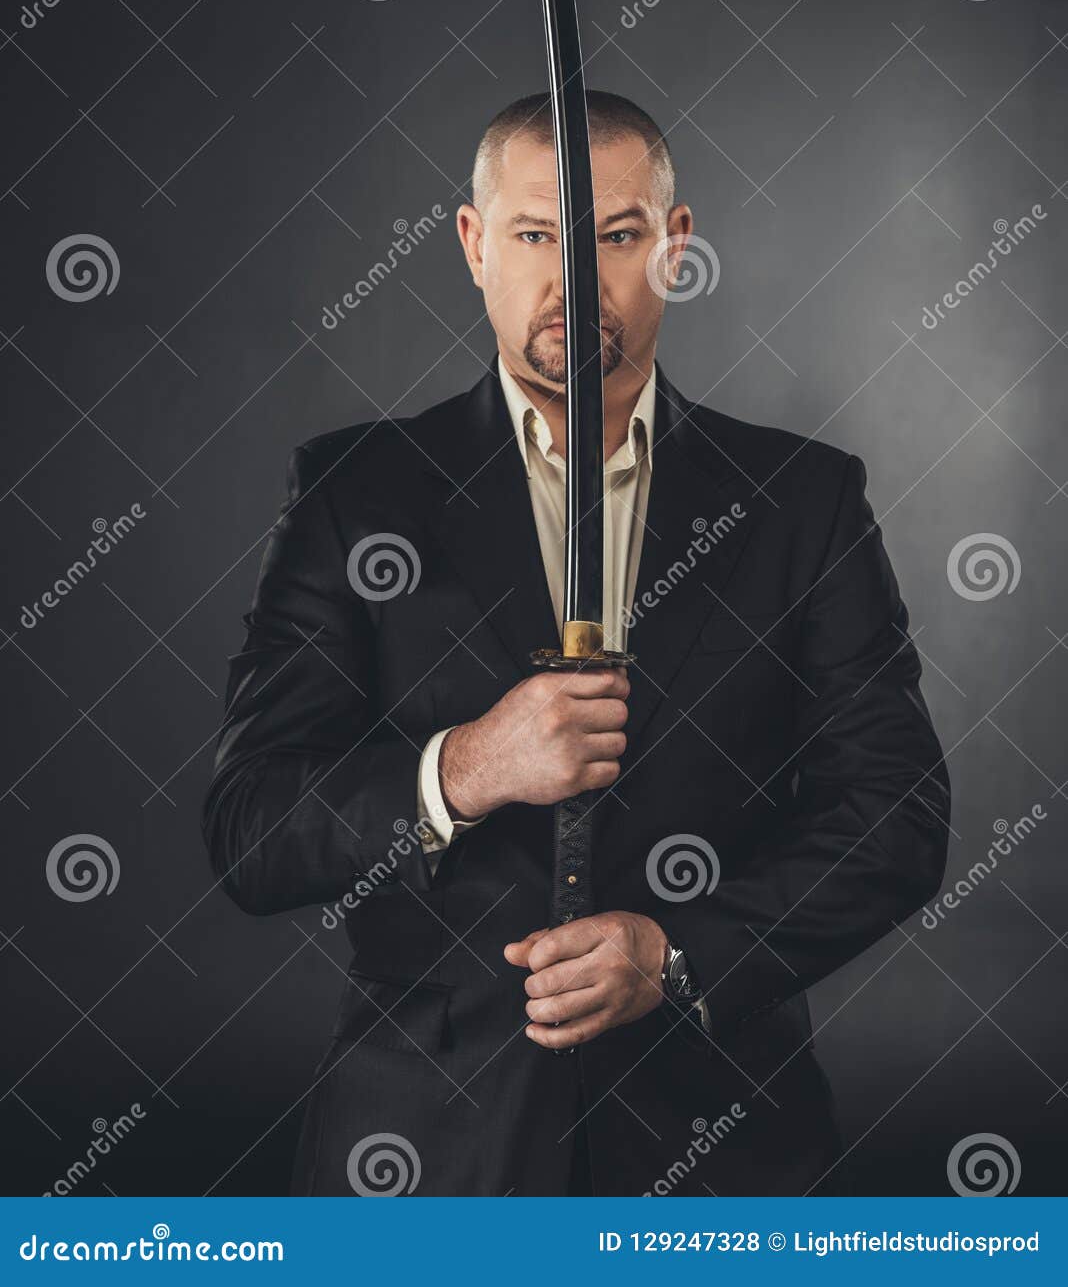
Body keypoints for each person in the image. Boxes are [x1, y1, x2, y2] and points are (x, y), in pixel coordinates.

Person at [201, 90, 950, 1196]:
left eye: (617, 235)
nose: (575, 277)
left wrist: (683, 954)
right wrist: (467, 768)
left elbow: (897, 817)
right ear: (473, 244)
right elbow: (252, 828)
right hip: (427, 1158)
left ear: (676, 246)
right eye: (537, 233)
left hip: (721, 1161)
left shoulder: (803, 502)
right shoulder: (356, 494)